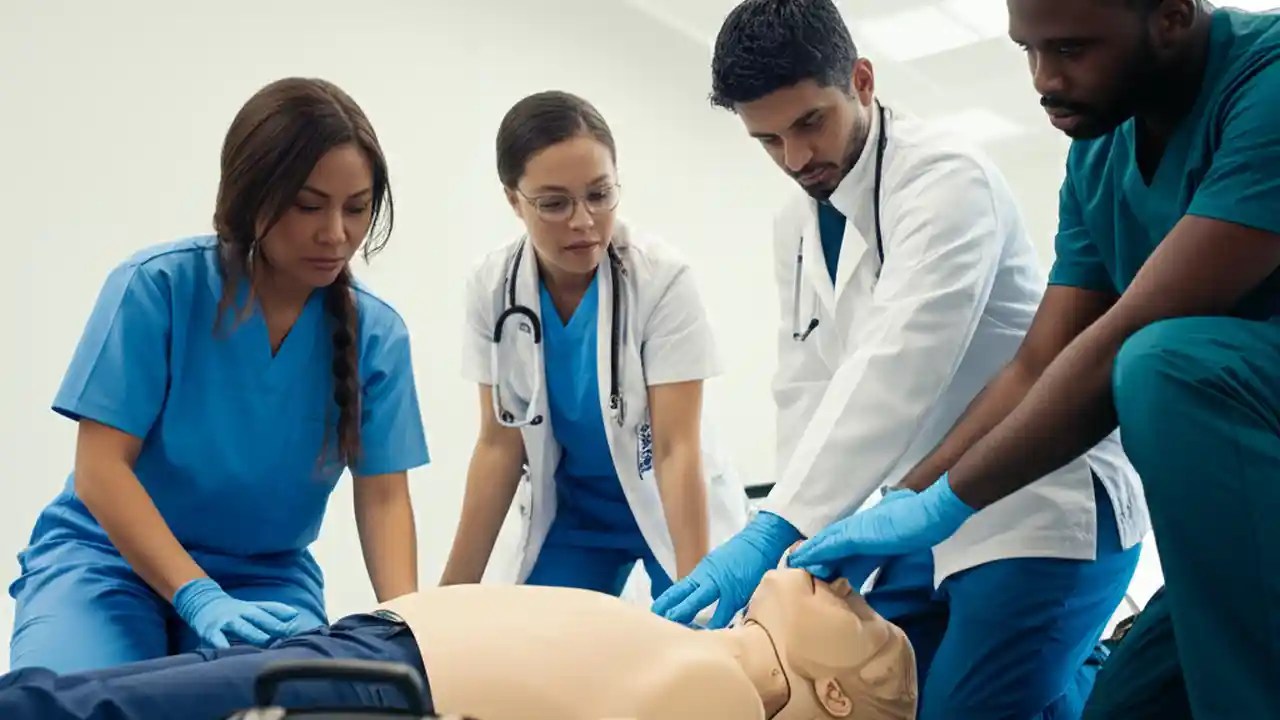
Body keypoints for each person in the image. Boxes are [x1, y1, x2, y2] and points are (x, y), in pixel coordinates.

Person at [783, 1, 1280, 718]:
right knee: (1126, 707)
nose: (1044, 79)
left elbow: (1134, 329)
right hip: (1242, 515)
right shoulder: (1100, 150)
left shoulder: (1265, 84)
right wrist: (908, 501)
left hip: (1225, 453)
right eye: (1029, 50)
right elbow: (1035, 364)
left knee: (1159, 361)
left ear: (1171, 16)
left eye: (1072, 48)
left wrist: (947, 502)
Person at [654, 1, 1150, 717]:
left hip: (1037, 504)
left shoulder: (947, 179)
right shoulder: (796, 224)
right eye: (767, 140)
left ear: (860, 81)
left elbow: (899, 362)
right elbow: (808, 387)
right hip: (912, 516)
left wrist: (778, 527)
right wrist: (799, 547)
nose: (796, 160)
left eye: (809, 123)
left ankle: (1093, 666)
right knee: (877, 698)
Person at [7, 77, 429, 675]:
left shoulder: (378, 336)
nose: (336, 233)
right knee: (71, 700)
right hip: (104, 559)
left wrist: (403, 632)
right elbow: (100, 470)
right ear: (252, 193)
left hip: (266, 579)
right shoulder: (157, 287)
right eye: (308, 206)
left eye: (357, 208)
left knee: (292, 699)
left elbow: (384, 497)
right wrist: (197, 595)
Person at [438, 90, 749, 598]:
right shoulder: (493, 287)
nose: (583, 221)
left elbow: (675, 449)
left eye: (600, 195)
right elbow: (499, 445)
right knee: (536, 651)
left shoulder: (661, 279)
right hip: (575, 511)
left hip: (667, 500)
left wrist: (699, 591)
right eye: (554, 203)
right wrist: (447, 598)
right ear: (514, 201)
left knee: (693, 640)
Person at [0, 565, 918, 720]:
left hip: (391, 681)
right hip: (381, 648)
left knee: (98, 709)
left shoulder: (718, 697)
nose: (848, 587)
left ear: (833, 696)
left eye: (870, 627)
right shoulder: (703, 649)